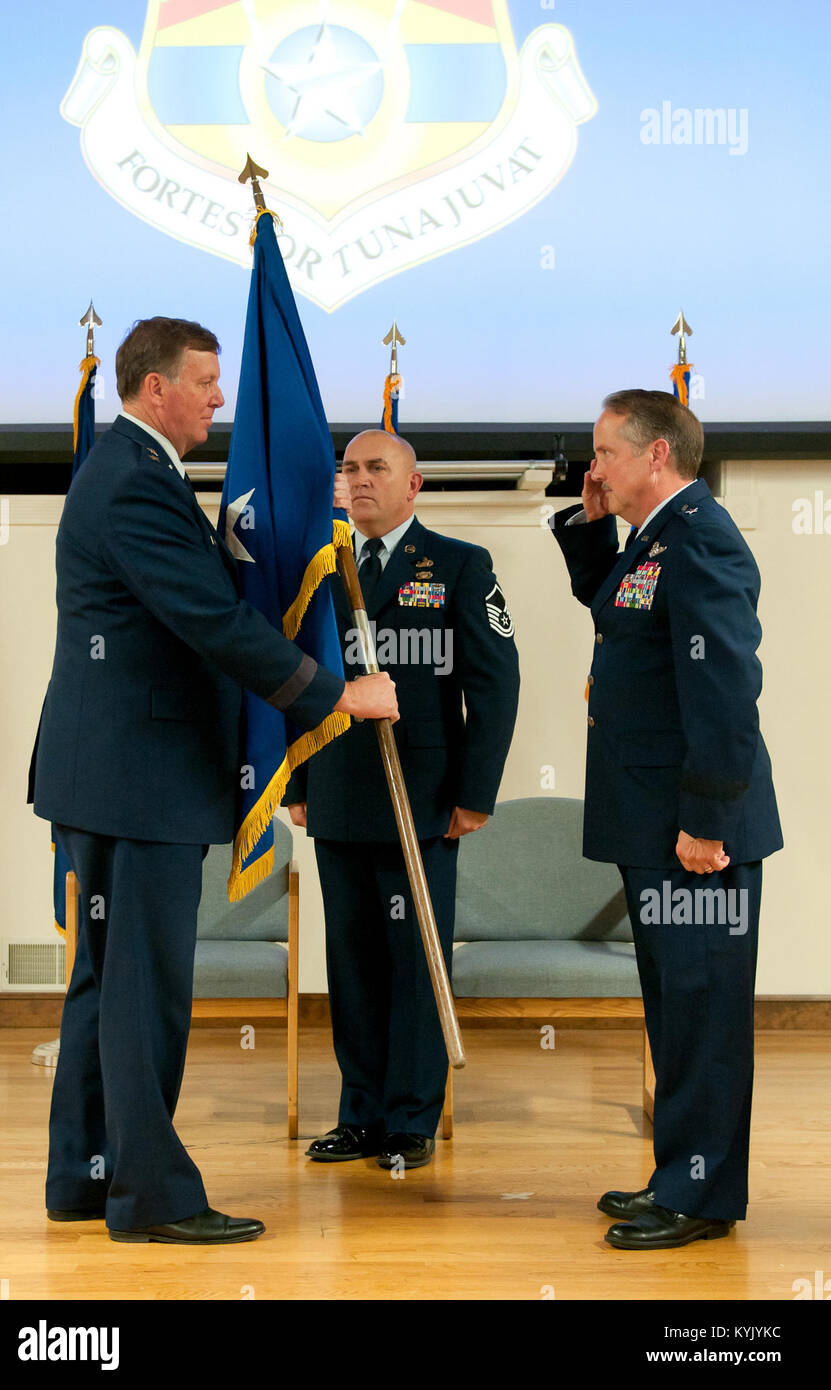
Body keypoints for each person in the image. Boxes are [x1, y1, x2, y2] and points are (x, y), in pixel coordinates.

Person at [28, 317, 397, 1245]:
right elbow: (206, 620)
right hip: (134, 778)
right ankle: (151, 1197)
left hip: (111, 775)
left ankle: (85, 1174)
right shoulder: (133, 484)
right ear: (157, 390)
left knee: (106, 985)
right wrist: (333, 694)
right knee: (142, 990)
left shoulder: (131, 473)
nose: (219, 399)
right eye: (203, 381)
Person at [550, 389, 782, 1250]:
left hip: (695, 831)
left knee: (702, 1009)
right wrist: (588, 523)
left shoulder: (702, 537)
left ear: (655, 455)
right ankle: (677, 1175)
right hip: (655, 821)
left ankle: (700, 1196)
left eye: (606, 452)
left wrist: (706, 821)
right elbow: (616, 614)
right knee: (675, 1006)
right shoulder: (656, 537)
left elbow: (725, 692)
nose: (592, 467)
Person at [284, 429, 520, 1172]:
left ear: (412, 484)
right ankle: (359, 1114)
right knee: (350, 963)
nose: (358, 480)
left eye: (375, 467)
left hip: (422, 796)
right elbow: (296, 675)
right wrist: (296, 779)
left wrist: (475, 793)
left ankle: (411, 1117)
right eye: (348, 468)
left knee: (414, 961)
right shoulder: (321, 568)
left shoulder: (456, 565)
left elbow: (494, 685)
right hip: (339, 792)